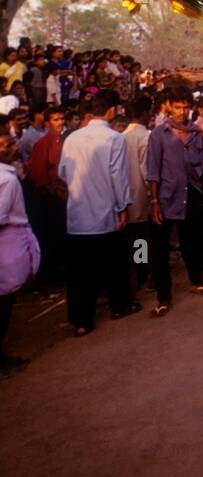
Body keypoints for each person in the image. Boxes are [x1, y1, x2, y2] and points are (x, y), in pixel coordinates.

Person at [58, 92, 137, 336]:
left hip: (79, 214)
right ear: (112, 110)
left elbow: (62, 171)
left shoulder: (72, 138)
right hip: (106, 212)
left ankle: (82, 320)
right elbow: (119, 177)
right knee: (116, 262)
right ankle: (120, 305)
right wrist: (123, 207)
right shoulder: (114, 138)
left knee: (80, 271)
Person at [146, 83, 203, 317]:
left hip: (192, 194)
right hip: (165, 197)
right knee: (159, 249)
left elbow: (201, 168)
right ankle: (163, 297)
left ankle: (196, 280)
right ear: (169, 108)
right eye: (177, 107)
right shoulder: (158, 134)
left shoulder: (196, 134)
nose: (182, 112)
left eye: (185, 107)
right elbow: (153, 170)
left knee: (192, 242)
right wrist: (154, 201)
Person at [0, 132, 41, 375]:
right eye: (7, 145)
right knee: (140, 245)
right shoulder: (7, 180)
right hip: (8, 244)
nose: (14, 147)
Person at [28, 108, 67, 292]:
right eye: (55, 119)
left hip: (67, 198)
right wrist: (53, 195)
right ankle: (51, 276)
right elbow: (39, 177)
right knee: (53, 240)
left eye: (61, 119)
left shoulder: (66, 141)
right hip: (52, 201)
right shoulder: (42, 145)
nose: (60, 122)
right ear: (47, 123)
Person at [123, 95, 153, 291]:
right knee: (143, 238)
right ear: (144, 114)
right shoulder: (146, 136)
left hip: (126, 196)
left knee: (133, 238)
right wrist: (154, 194)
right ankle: (144, 275)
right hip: (143, 196)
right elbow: (146, 170)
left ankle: (137, 271)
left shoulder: (120, 136)